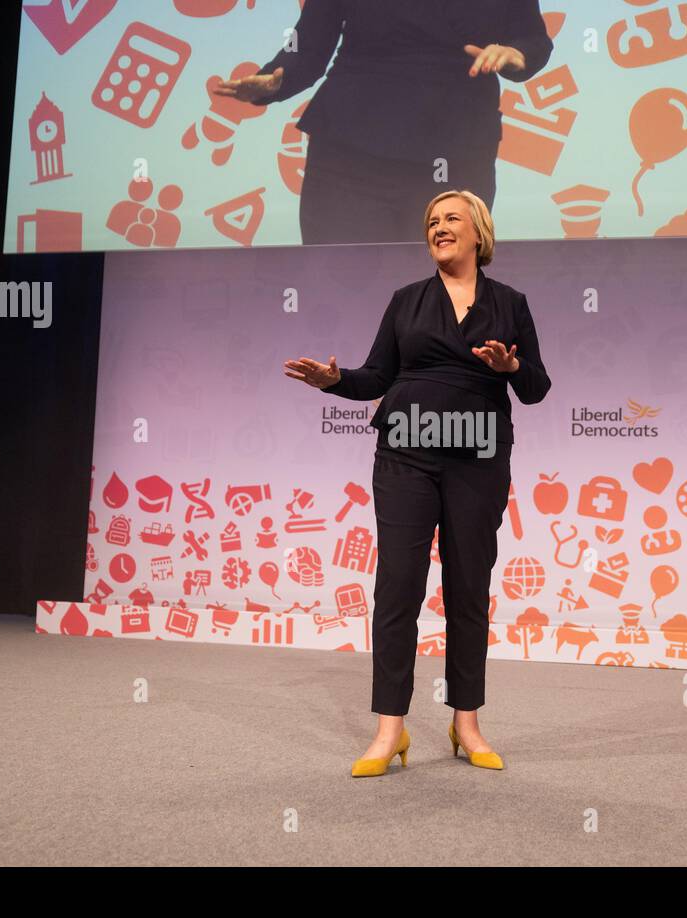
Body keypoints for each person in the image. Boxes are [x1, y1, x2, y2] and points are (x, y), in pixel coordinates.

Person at [283, 190, 551, 776]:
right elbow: (376, 375)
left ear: (479, 233)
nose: (439, 227)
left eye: (451, 218)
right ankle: (390, 731)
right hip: (406, 453)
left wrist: (510, 368)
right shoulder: (405, 301)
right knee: (398, 588)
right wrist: (334, 380)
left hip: (478, 459)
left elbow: (536, 387)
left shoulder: (511, 304)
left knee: (467, 590)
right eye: (431, 221)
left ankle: (467, 723)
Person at [213, 0, 553, 245]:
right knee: (339, 289)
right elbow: (309, 45)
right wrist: (275, 82)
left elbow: (532, 38)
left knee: (442, 303)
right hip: (349, 152)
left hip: (456, 151)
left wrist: (518, 55)